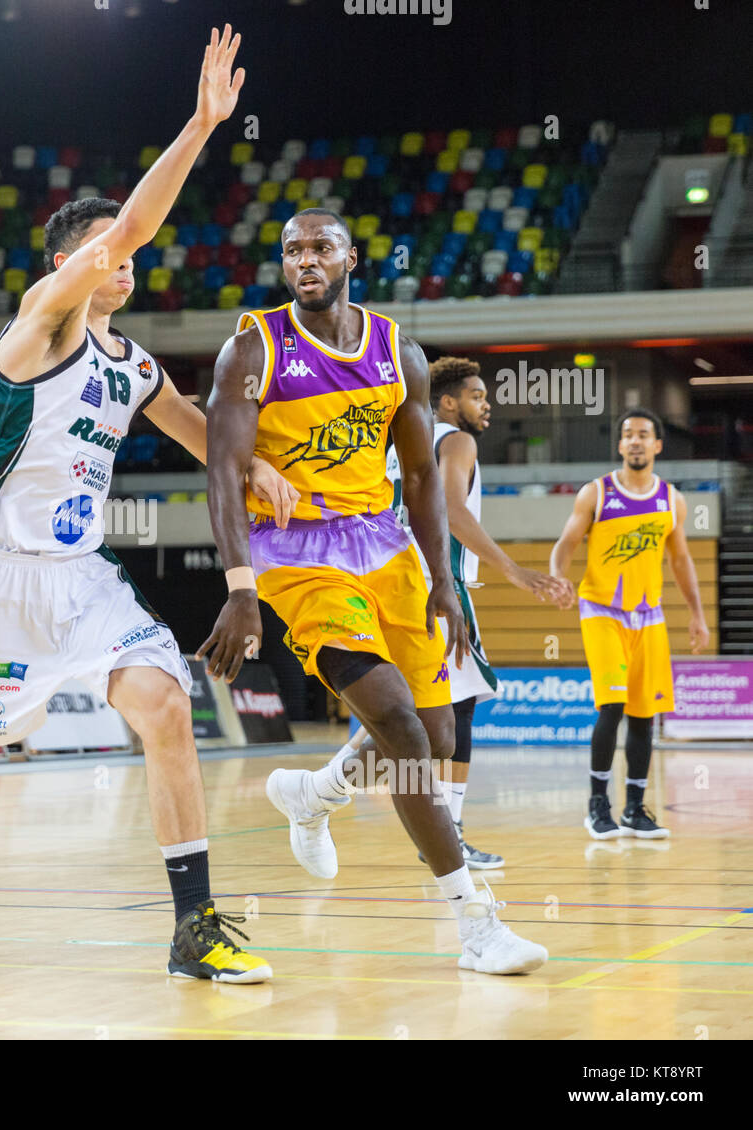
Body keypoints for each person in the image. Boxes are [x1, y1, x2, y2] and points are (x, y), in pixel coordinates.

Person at [0, 27, 278, 985]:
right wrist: (202, 123)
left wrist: (252, 468)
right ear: (68, 265)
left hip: (86, 579)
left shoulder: (130, 361)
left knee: (166, 706)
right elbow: (130, 229)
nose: (123, 258)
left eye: (124, 250)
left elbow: (191, 427)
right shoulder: (37, 327)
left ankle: (192, 926)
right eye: (102, 249)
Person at [201, 208, 547, 975]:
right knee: (399, 724)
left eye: (320, 247)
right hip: (298, 553)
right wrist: (240, 586)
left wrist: (446, 580)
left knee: (437, 734)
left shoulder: (400, 352)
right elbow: (221, 468)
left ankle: (316, 793)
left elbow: (422, 477)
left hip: (387, 547)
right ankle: (476, 926)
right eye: (292, 250)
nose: (306, 260)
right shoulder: (253, 347)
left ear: (352, 257)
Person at [382, 356, 573, 868]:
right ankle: (445, 833)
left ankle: (322, 793)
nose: (486, 405)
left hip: (391, 581)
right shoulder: (455, 441)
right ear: (448, 401)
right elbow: (452, 508)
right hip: (439, 585)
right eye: (476, 395)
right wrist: (516, 571)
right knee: (457, 709)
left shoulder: (399, 442)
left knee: (412, 711)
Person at [550, 407, 710, 839]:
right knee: (613, 706)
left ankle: (635, 809)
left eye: (644, 434)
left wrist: (697, 614)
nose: (635, 441)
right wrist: (557, 576)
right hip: (601, 611)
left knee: (645, 715)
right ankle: (597, 806)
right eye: (628, 435)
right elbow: (565, 544)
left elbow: (681, 560)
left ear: (657, 445)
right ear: (620, 445)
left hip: (650, 617)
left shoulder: (671, 499)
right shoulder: (596, 493)